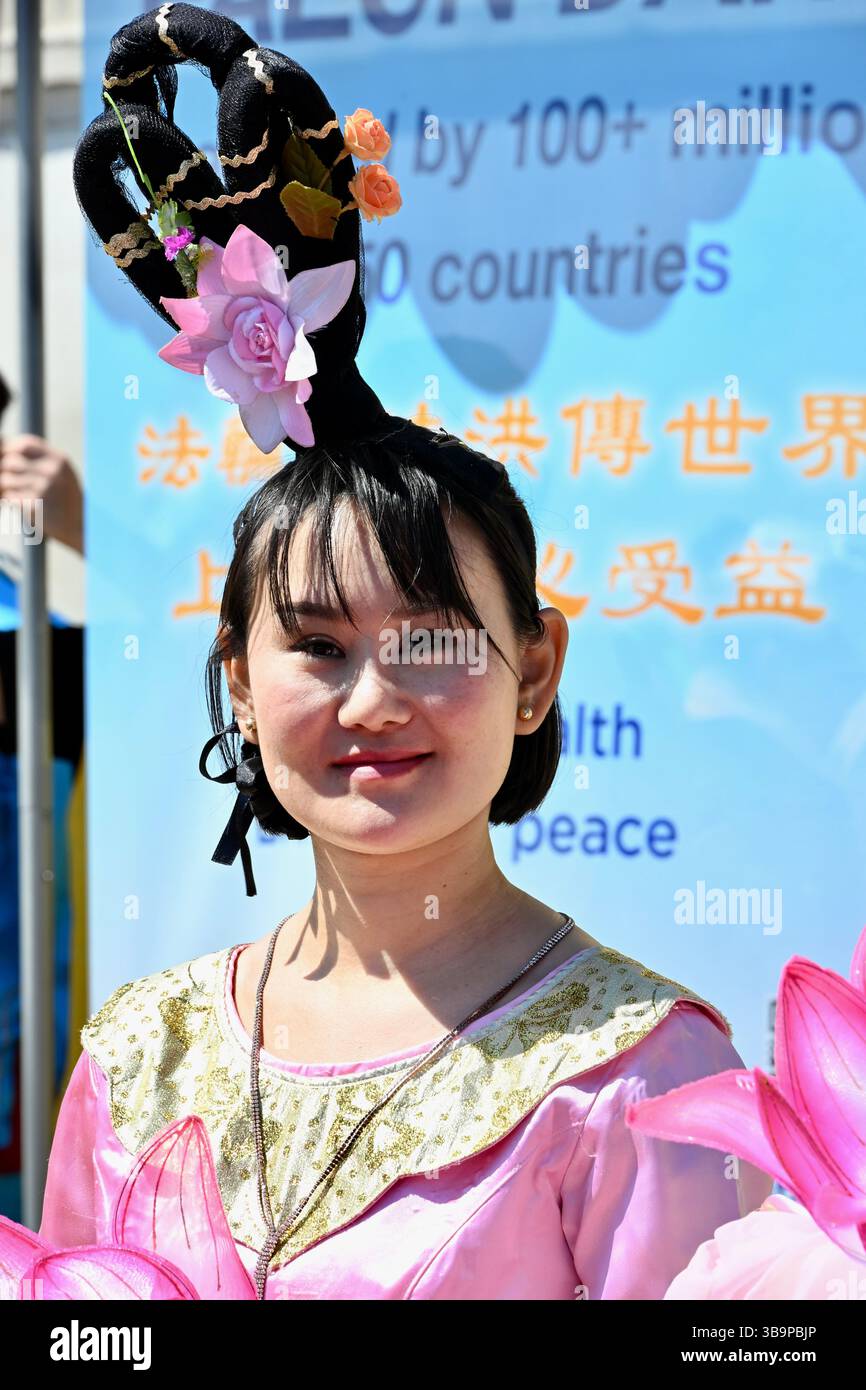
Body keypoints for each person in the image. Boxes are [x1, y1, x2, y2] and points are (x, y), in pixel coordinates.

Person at [24, 3, 773, 1300]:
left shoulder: (640, 1076)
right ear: (240, 685)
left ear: (534, 668)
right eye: (313, 643)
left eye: (429, 636)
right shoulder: (136, 1051)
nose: (371, 696)